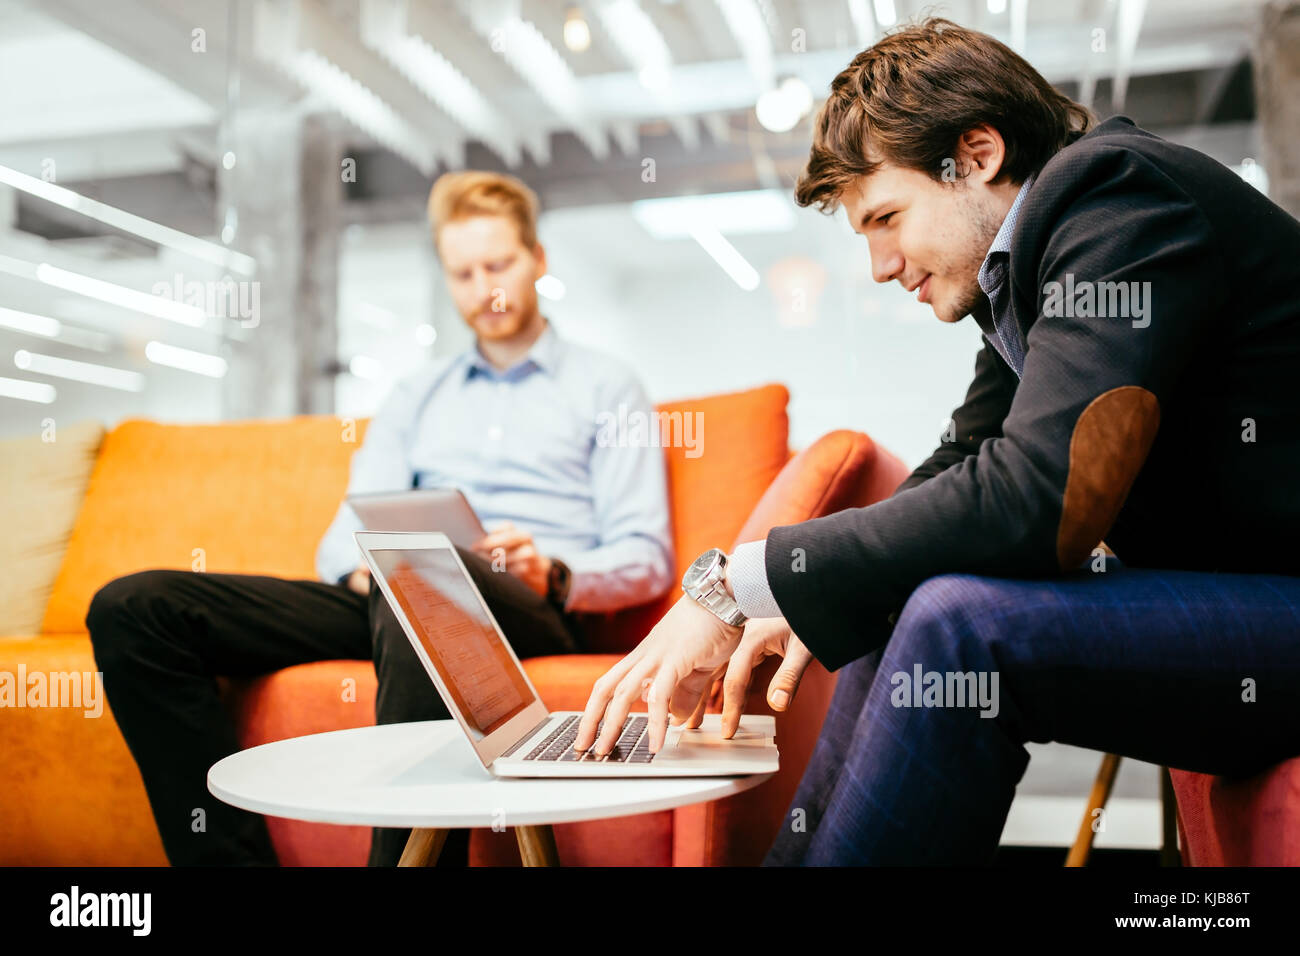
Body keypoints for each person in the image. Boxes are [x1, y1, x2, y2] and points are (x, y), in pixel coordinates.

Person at [573, 17, 1300, 865]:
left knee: (960, 624)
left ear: (979, 154)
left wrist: (736, 583)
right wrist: (801, 588)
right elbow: (966, 461)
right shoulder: (1036, 255)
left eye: (887, 216)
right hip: (1256, 597)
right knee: (902, 604)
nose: (881, 265)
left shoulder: (1119, 196)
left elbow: (1043, 494)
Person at [87, 170, 673, 867]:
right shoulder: (415, 393)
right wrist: (368, 570)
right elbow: (345, 534)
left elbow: (647, 553)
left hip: (528, 609)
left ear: (538, 260)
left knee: (426, 576)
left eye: (500, 264)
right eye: (462, 273)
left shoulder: (608, 386)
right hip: (396, 602)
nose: (483, 289)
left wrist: (550, 568)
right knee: (136, 610)